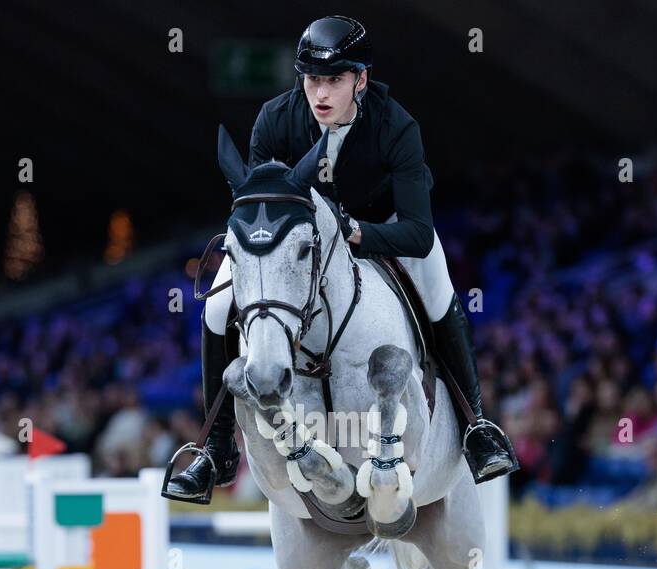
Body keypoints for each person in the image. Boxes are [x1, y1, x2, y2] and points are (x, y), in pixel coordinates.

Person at [167, 14, 518, 501]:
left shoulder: (397, 126)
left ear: (361, 79)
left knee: (437, 286)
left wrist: (358, 233)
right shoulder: (275, 120)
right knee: (216, 303)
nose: (321, 94)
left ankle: (476, 426)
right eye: (313, 80)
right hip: (299, 243)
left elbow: (417, 232)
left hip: (383, 228)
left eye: (335, 79)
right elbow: (259, 205)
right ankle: (216, 446)